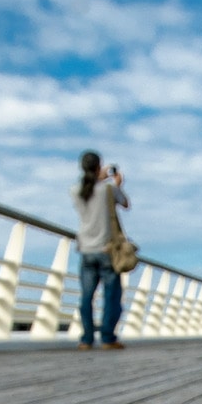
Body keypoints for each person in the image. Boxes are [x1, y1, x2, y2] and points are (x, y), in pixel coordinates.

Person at [71, 150, 129, 350]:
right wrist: (116, 184)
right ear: (99, 167)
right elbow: (126, 204)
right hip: (106, 250)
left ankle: (86, 339)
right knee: (111, 296)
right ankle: (107, 337)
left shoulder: (75, 190)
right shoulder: (107, 190)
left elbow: (88, 194)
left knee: (86, 296)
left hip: (85, 249)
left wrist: (97, 179)